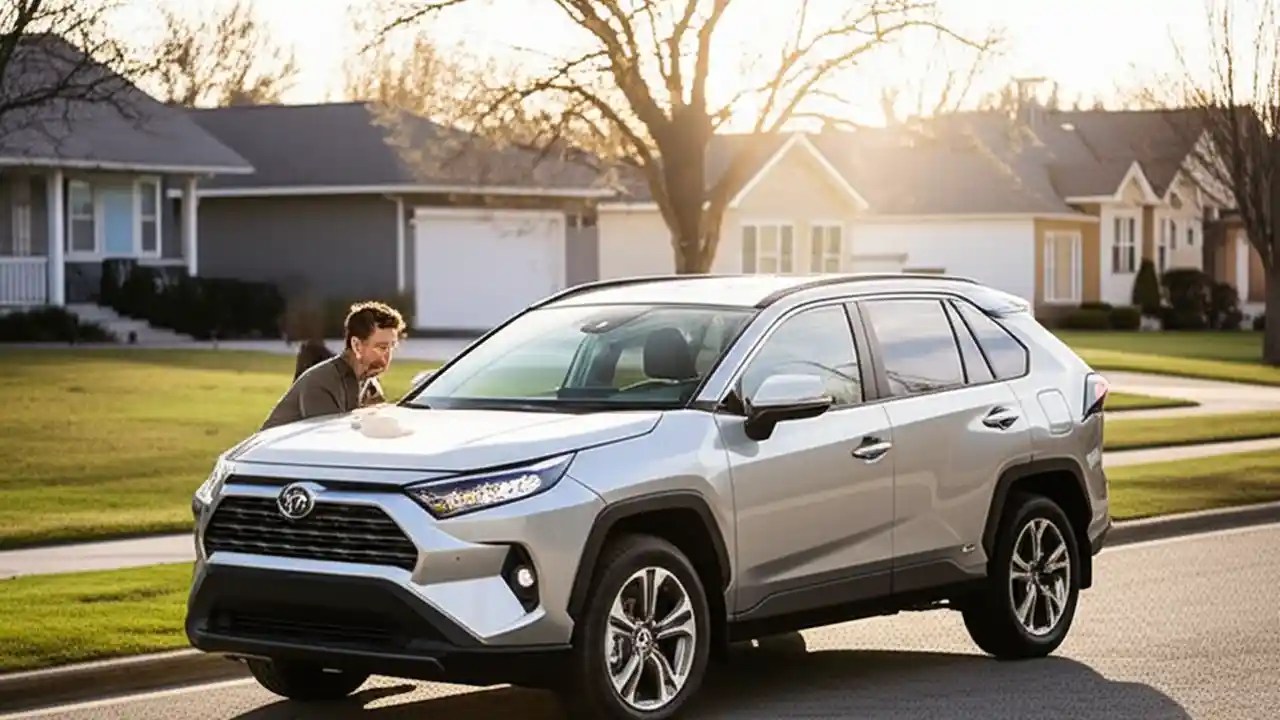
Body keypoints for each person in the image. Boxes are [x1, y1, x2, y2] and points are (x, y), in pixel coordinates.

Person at [260, 301, 405, 431]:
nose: (387, 355)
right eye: (382, 347)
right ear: (356, 345)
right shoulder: (322, 381)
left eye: (392, 347)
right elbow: (329, 440)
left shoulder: (370, 383)